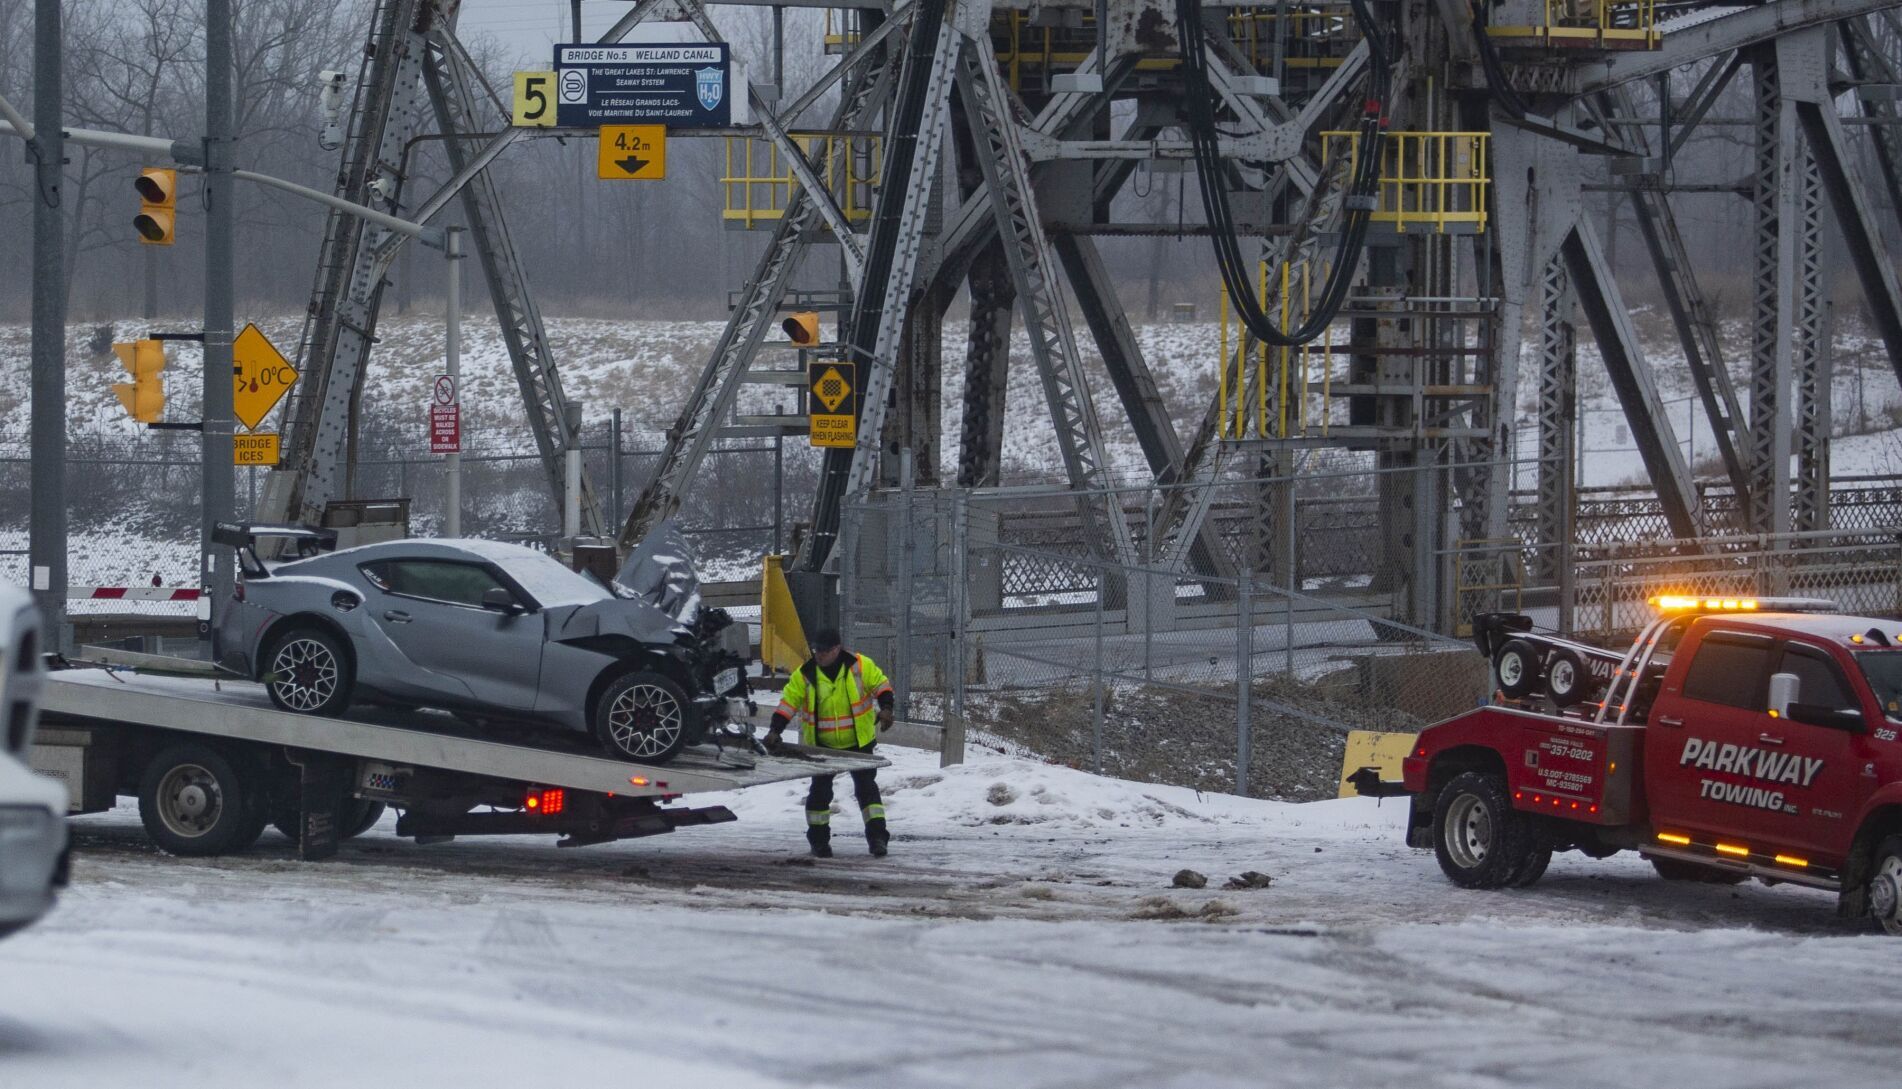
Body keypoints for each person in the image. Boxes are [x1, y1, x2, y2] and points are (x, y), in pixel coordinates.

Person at [765, 628, 894, 857]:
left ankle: (877, 840)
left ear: (837, 649)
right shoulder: (806, 674)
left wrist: (886, 709)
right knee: (820, 794)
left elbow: (881, 685)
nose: (820, 655)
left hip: (859, 743)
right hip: (822, 747)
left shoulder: (860, 666)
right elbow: (789, 703)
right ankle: (819, 842)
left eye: (825, 651)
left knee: (867, 792)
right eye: (817, 651)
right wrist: (775, 730)